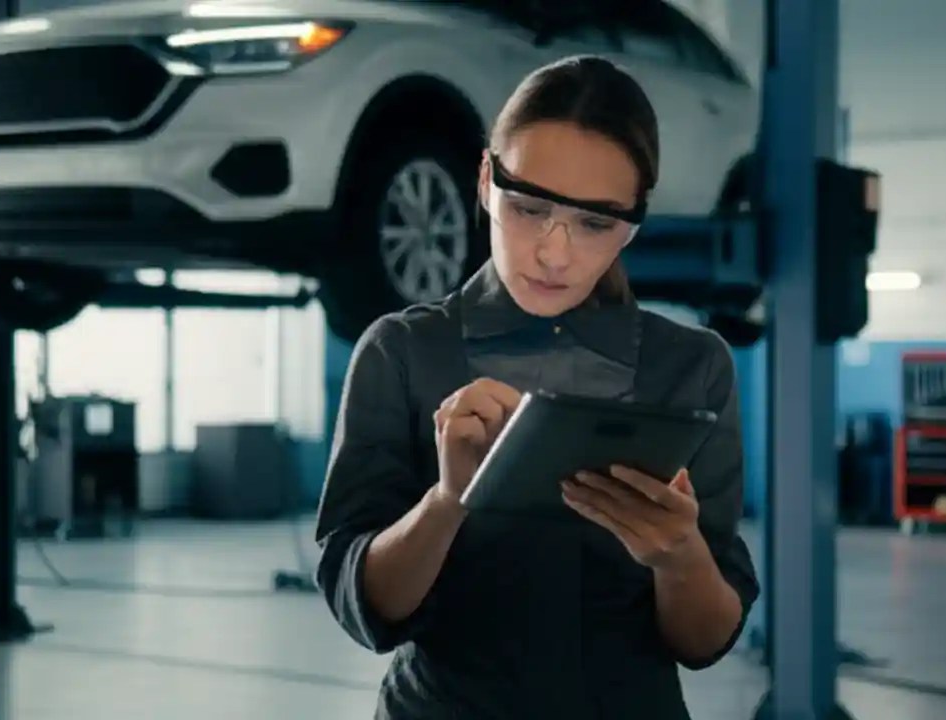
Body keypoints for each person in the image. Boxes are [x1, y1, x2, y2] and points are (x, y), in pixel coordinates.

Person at [314, 55, 759, 720]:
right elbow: (365, 609)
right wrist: (446, 502)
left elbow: (706, 640)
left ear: (634, 222)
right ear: (487, 180)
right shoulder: (403, 354)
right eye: (528, 208)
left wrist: (678, 555)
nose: (555, 253)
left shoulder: (690, 368)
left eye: (595, 223)